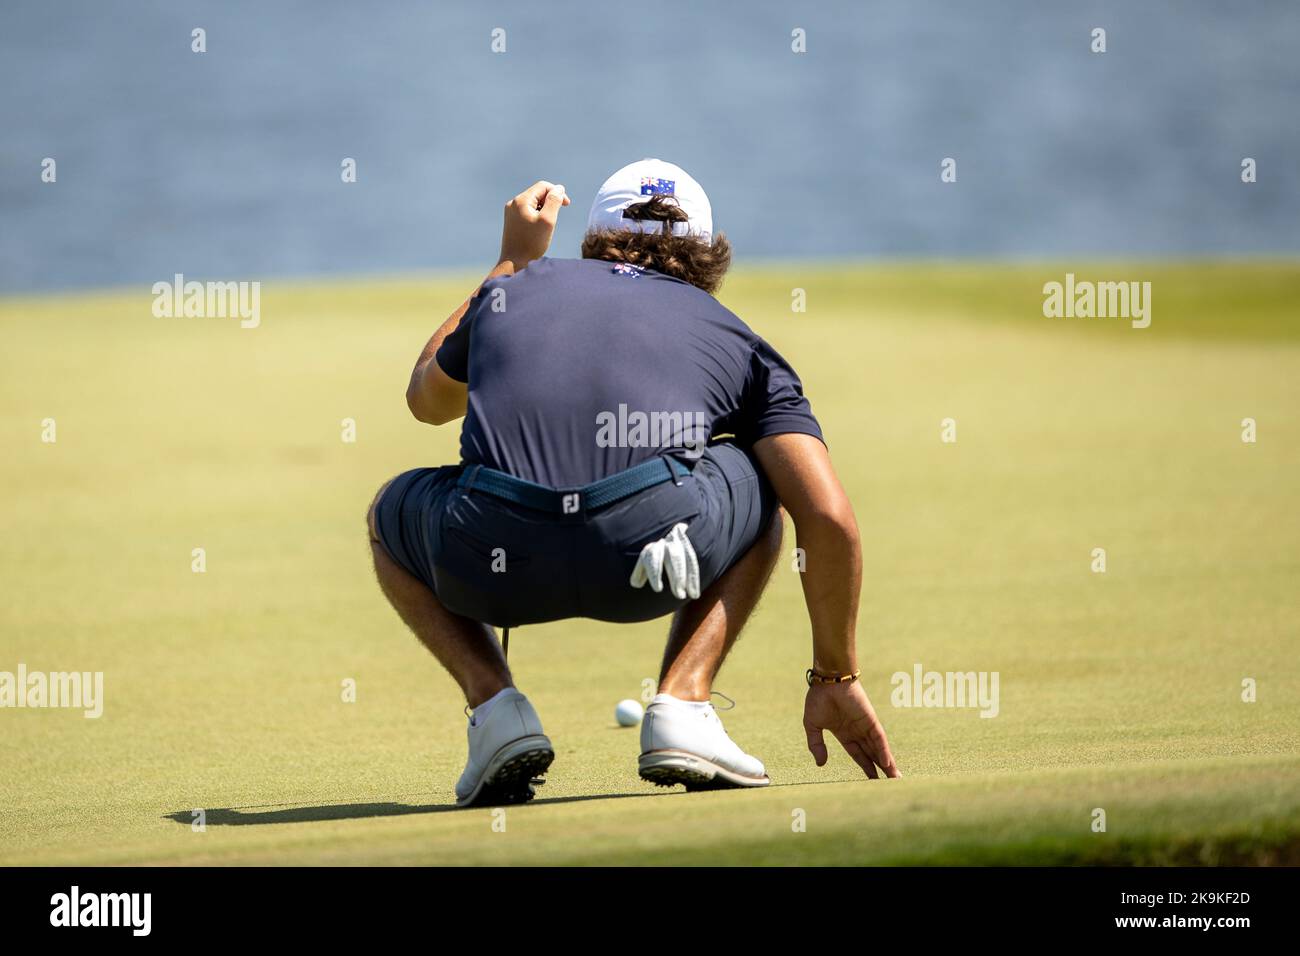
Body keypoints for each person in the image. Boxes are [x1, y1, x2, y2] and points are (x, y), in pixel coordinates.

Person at [368, 159, 899, 807]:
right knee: (766, 483)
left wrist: (510, 260)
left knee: (392, 508)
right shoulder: (740, 339)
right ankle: (681, 704)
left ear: (591, 241)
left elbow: (427, 398)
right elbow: (830, 519)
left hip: (494, 561)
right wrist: (834, 674)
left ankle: (496, 709)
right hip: (648, 559)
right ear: (708, 256)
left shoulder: (517, 289)